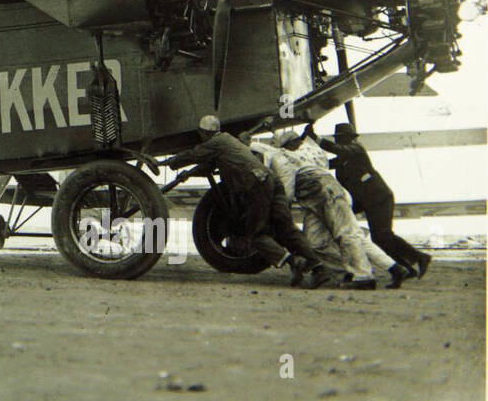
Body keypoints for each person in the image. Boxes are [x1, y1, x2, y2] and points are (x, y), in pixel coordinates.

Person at [160, 115, 329, 286]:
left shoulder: (215, 143)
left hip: (255, 185)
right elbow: (210, 165)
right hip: (272, 181)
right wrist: (187, 174)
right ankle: (318, 268)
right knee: (286, 228)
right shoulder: (228, 142)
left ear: (202, 132)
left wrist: (166, 162)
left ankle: (294, 263)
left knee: (256, 234)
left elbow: (193, 155)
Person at [253, 133, 412, 290]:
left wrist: (278, 211)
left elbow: (287, 190)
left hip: (324, 195)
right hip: (323, 196)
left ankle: (364, 277)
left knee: (347, 234)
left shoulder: (280, 158)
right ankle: (386, 268)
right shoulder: (310, 153)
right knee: (317, 241)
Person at [311, 123, 432, 278]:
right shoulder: (343, 159)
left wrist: (316, 138)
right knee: (379, 238)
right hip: (366, 201)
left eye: (343, 138)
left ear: (351, 139)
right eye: (339, 139)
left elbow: (337, 150)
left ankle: (419, 258)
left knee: (383, 236)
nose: (341, 141)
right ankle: (406, 268)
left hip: (379, 198)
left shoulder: (356, 150)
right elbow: (323, 164)